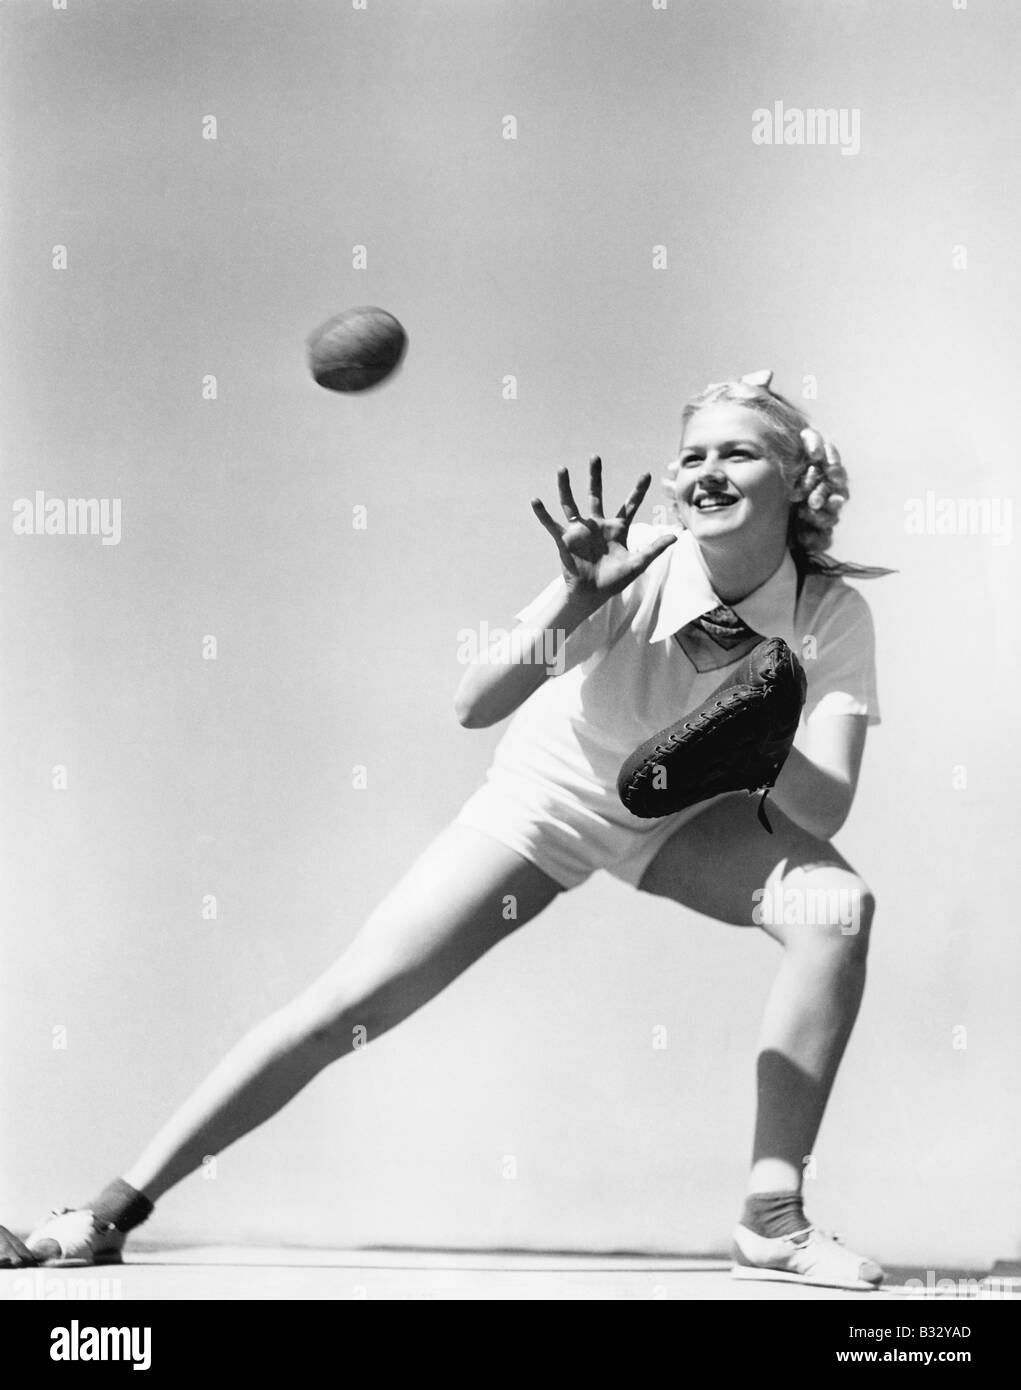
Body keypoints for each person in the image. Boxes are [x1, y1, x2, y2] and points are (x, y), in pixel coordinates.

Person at [1, 371, 891, 1290]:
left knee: (836, 909)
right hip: (547, 802)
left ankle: (770, 1218)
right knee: (353, 1005)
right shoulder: (642, 564)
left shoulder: (828, 615)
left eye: (737, 452)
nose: (706, 470)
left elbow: (822, 808)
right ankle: (110, 1210)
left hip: (682, 817)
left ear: (795, 479)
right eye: (692, 454)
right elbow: (474, 704)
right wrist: (574, 595)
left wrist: (760, 738)